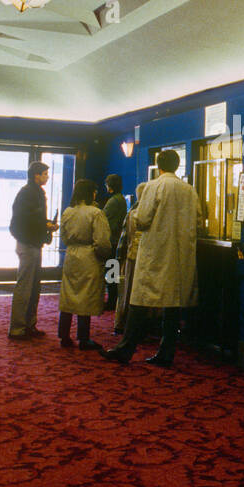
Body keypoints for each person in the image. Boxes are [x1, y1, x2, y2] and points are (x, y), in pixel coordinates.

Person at [101, 150, 199, 367]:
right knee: (172, 307)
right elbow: (199, 218)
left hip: (155, 252)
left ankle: (126, 348)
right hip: (179, 255)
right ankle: (166, 353)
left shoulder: (153, 186)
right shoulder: (189, 190)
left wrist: (134, 216)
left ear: (159, 166)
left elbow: (143, 220)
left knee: (140, 301)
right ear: (178, 165)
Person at [57, 178, 111, 349]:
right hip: (89, 256)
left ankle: (64, 335)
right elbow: (102, 241)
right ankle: (83, 338)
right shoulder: (95, 213)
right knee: (85, 297)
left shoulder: (68, 212)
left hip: (71, 254)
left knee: (69, 295)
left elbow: (64, 237)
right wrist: (103, 256)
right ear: (90, 193)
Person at [8, 161, 58, 340]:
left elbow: (32, 218)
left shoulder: (34, 192)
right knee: (25, 287)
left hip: (33, 243)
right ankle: (17, 328)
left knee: (34, 287)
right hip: (28, 244)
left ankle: (29, 325)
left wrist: (46, 225)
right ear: (36, 175)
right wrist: (46, 224)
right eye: (45, 174)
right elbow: (26, 219)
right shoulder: (27, 193)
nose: (47, 177)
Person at [112, 181, 146, 334]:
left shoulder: (131, 211)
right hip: (137, 259)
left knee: (124, 292)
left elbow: (123, 239)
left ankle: (120, 324)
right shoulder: (140, 214)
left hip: (127, 257)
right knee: (132, 292)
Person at [101, 174, 127, 310]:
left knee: (111, 273)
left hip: (112, 241)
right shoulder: (121, 199)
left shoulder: (113, 201)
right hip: (116, 241)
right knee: (113, 272)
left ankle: (111, 301)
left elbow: (102, 218)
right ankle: (112, 300)